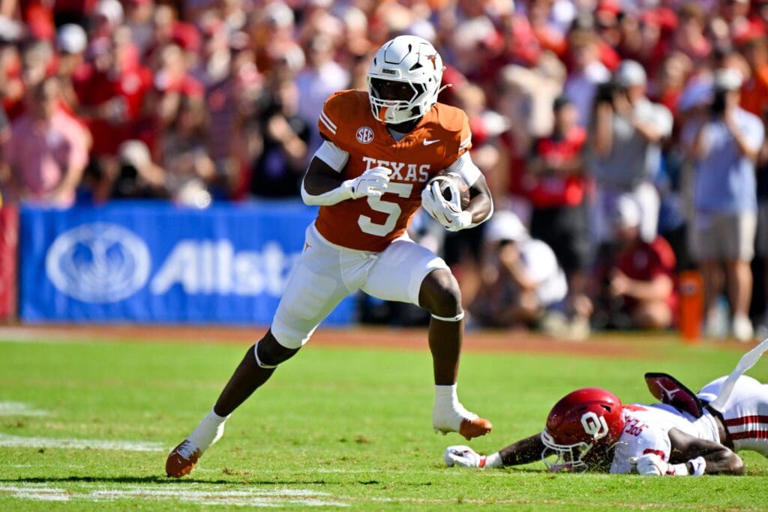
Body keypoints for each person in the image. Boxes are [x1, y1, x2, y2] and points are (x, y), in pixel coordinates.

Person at [166, 35, 495, 478]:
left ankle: (445, 406)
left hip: (385, 252)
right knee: (276, 347)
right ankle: (206, 431)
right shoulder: (350, 113)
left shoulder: (448, 127)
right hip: (328, 254)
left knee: (445, 292)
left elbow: (482, 196)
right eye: (382, 84)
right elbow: (310, 188)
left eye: (400, 89)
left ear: (429, 88)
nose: (387, 97)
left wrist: (461, 220)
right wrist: (351, 188)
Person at [444, 370, 768, 475]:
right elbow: (548, 441)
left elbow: (731, 460)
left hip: (744, 417)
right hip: (708, 398)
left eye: (574, 446)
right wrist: (486, 461)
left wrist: (675, 470)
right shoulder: (609, 429)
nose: (566, 454)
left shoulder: (645, 440)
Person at [683, 68, 764, 341]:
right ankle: (711, 316)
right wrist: (707, 119)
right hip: (707, 202)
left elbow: (750, 152)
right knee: (708, 263)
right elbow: (695, 153)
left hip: (738, 203)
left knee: (738, 261)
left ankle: (740, 317)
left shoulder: (749, 122)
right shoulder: (702, 123)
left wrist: (730, 120)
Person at [469, 210, 567, 329]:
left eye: (505, 242)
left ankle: (498, 324)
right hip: (517, 305)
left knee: (525, 303)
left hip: (551, 308)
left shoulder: (537, 250)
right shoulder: (498, 257)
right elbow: (489, 285)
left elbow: (529, 286)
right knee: (480, 306)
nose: (503, 248)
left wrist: (512, 264)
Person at [594, 194, 677, 330]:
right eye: (617, 227)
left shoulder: (655, 248)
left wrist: (627, 287)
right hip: (619, 309)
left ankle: (627, 324)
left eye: (624, 228)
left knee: (653, 314)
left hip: (649, 306)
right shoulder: (609, 250)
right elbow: (593, 286)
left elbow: (662, 289)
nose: (620, 233)